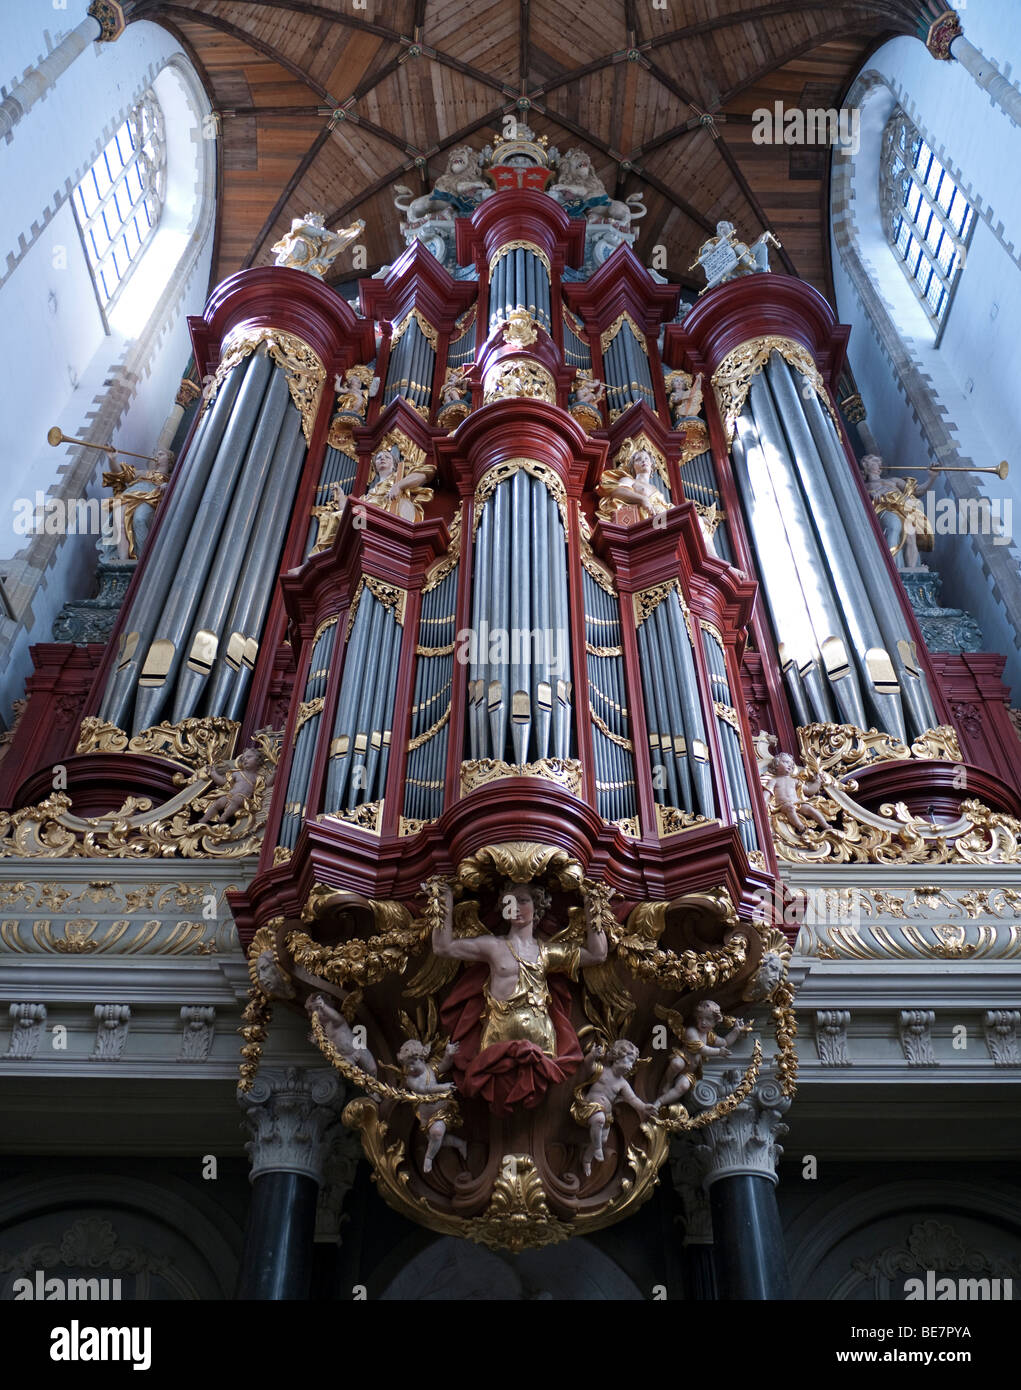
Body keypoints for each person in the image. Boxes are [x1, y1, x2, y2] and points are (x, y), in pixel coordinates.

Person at [433, 878, 608, 1114]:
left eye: (523, 901)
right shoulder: (493, 947)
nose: (515, 907)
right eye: (509, 901)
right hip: (497, 1038)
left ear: (538, 907)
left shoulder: (546, 952)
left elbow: (597, 954)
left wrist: (593, 903)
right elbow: (443, 947)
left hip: (541, 1042)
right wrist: (444, 898)